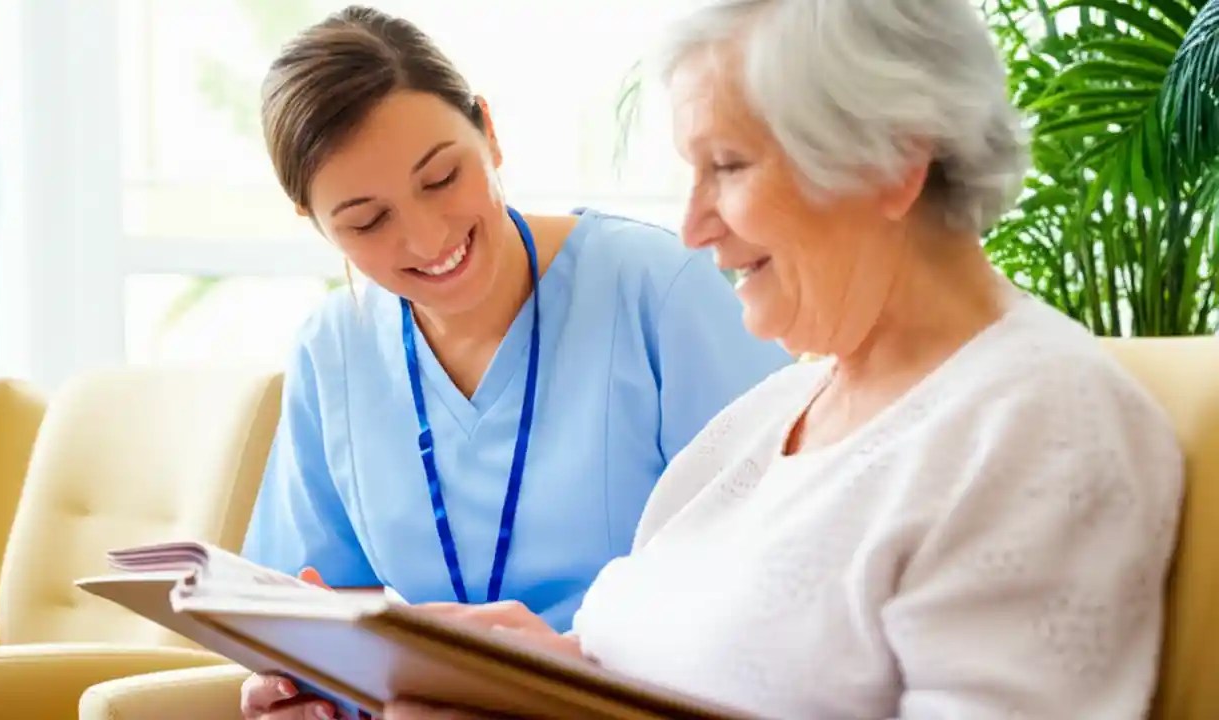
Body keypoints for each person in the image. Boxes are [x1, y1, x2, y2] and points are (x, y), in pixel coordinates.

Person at [295, 0, 1179, 718]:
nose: (692, 227)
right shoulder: (775, 415)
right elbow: (663, 673)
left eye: (728, 166)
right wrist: (533, 670)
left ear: (891, 161)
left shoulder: (1038, 424)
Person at [236, 5, 791, 719]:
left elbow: (780, 571)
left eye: (441, 178)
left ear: (489, 133)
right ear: (316, 223)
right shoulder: (332, 352)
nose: (427, 235)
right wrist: (296, 687)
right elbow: (311, 600)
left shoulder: (656, 288)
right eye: (368, 221)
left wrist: (577, 659)